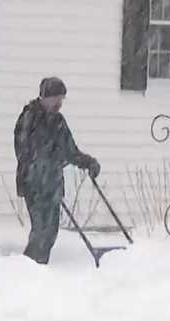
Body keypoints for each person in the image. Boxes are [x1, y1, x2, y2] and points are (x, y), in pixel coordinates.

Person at [13, 76, 101, 264]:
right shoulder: (29, 118)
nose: (59, 103)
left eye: (62, 99)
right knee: (40, 231)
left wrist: (89, 163)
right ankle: (27, 269)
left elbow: (71, 151)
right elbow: (23, 150)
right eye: (56, 99)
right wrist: (45, 160)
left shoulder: (58, 122)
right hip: (34, 184)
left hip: (52, 184)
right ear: (45, 97)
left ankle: (39, 268)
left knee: (50, 232)